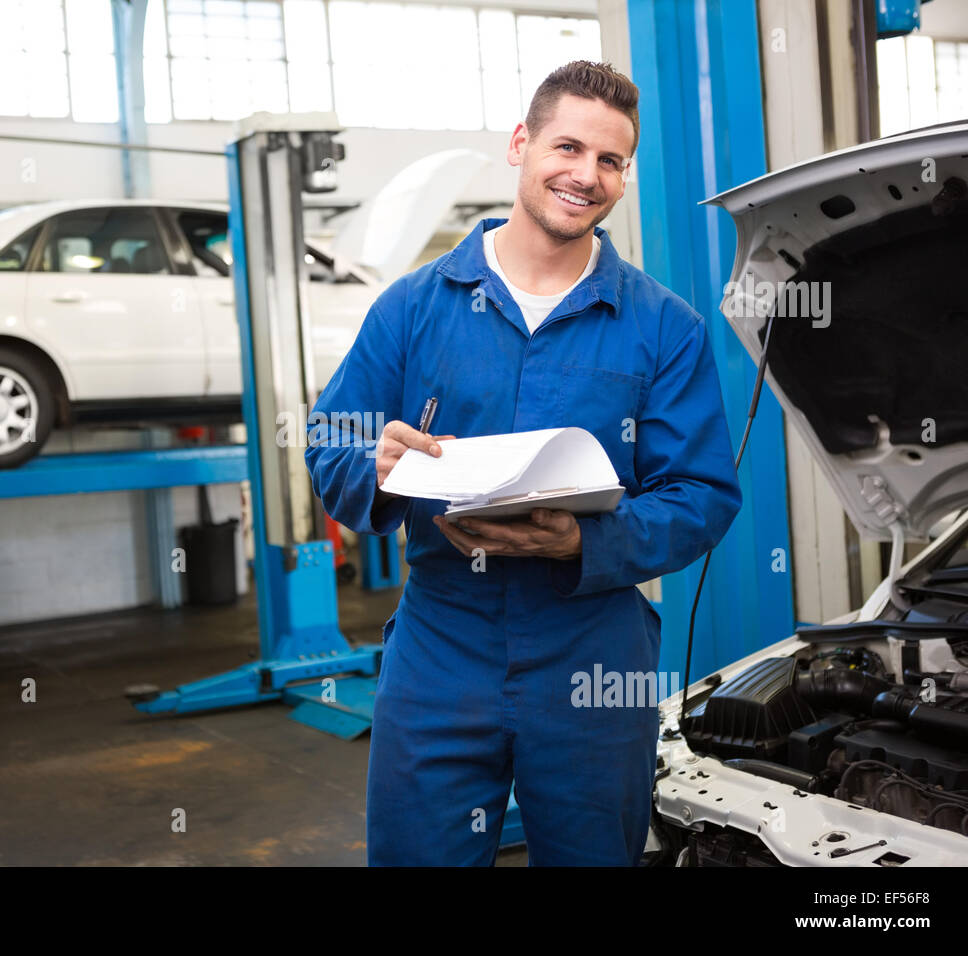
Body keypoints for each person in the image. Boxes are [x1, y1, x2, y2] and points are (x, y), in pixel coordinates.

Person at [304, 60, 743, 865]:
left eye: (610, 160)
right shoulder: (413, 307)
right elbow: (331, 441)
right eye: (568, 147)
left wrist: (584, 544)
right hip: (442, 638)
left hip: (593, 645)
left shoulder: (662, 325)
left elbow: (703, 492)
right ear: (521, 143)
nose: (586, 175)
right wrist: (378, 463)